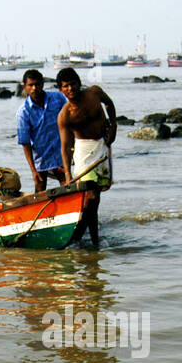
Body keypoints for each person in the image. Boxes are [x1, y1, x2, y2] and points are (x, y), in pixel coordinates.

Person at [56, 67, 116, 247]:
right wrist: (67, 175)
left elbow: (110, 104)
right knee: (89, 197)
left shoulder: (94, 93)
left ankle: (89, 240)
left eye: (73, 84)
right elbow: (65, 146)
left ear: (79, 83)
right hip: (83, 151)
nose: (70, 89)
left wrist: (113, 126)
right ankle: (82, 237)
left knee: (95, 197)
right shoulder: (65, 115)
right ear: (61, 90)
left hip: (102, 146)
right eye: (65, 86)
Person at [15, 69, 67, 192]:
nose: (34, 88)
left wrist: (73, 149)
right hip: (41, 157)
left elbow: (69, 122)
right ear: (24, 87)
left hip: (61, 153)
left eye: (37, 84)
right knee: (40, 186)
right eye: (30, 85)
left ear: (42, 84)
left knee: (67, 184)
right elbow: (25, 142)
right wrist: (33, 170)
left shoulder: (57, 98)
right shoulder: (23, 112)